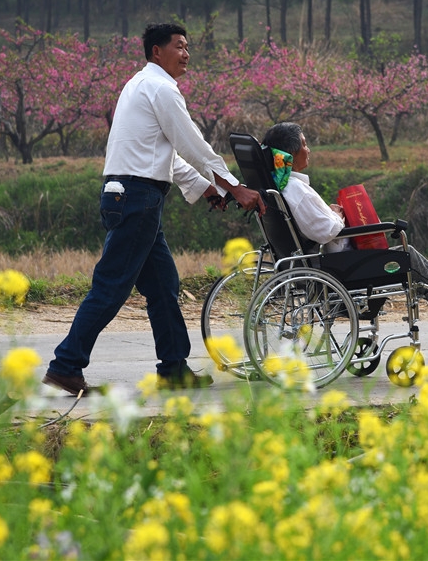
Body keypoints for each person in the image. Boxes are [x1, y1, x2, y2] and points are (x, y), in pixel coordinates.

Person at [43, 23, 265, 395]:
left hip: (129, 196)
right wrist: (235, 187)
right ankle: (65, 365)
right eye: (179, 46)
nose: (186, 54)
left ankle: (174, 368)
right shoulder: (162, 88)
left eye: (188, 47)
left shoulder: (137, 85)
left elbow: (165, 154)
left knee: (163, 285)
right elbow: (192, 145)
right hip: (137, 198)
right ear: (157, 52)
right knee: (111, 286)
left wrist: (205, 187)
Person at [261, 122, 428, 314]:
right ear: (290, 153)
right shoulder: (296, 191)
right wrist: (337, 216)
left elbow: (317, 224)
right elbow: (325, 231)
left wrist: (331, 215)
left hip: (319, 265)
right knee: (408, 255)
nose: (309, 149)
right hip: (338, 268)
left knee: (409, 261)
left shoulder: (281, 187)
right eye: (304, 144)